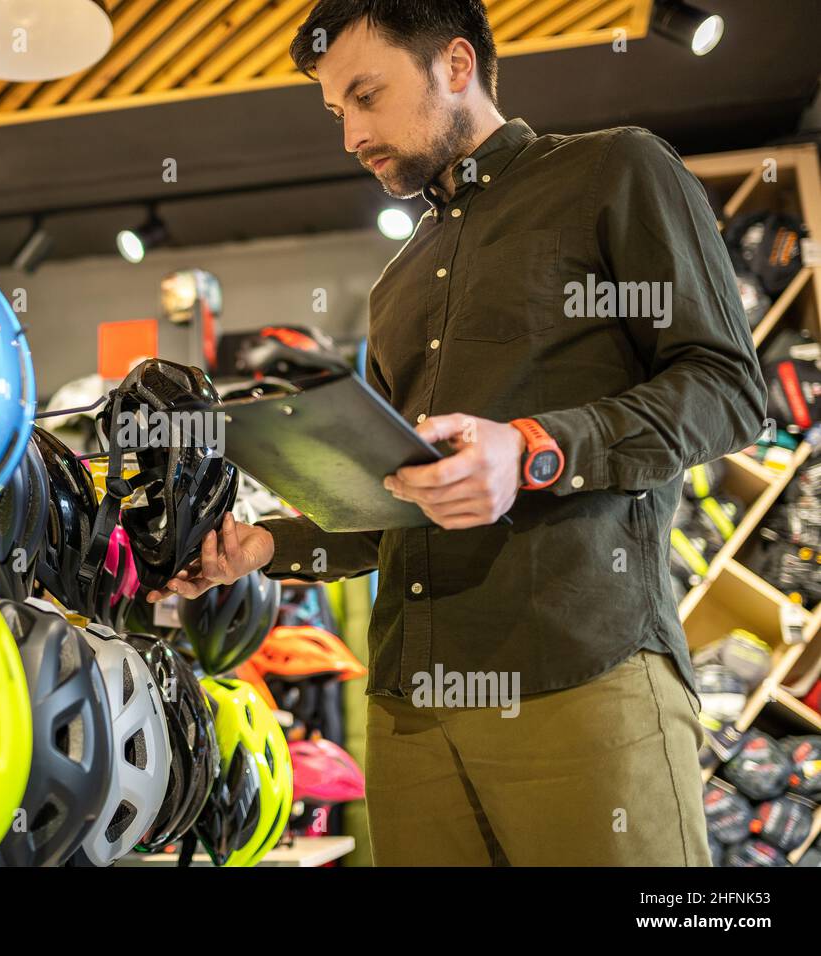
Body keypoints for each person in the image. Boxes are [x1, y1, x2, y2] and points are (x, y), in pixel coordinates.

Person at [145, 0, 766, 866]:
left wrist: (533, 448)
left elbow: (731, 388)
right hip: (409, 710)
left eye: (367, 95)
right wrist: (262, 547)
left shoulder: (613, 171)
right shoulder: (395, 285)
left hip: (579, 679)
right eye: (337, 112)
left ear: (457, 64)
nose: (350, 135)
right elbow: (394, 509)